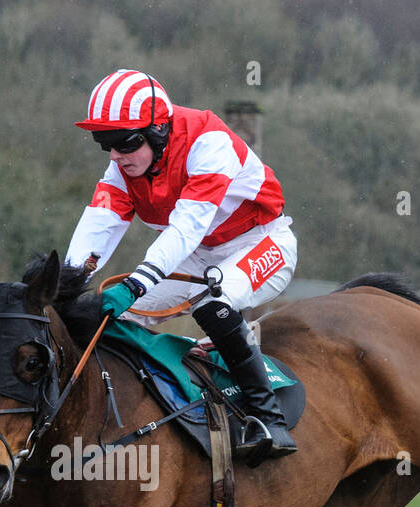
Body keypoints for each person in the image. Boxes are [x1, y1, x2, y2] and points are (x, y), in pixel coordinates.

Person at [65, 68, 298, 460]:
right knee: (107, 317)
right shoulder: (123, 165)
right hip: (194, 255)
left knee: (212, 302)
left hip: (261, 242)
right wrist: (64, 286)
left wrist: (137, 283)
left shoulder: (209, 143)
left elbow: (187, 227)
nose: (115, 154)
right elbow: (99, 225)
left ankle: (269, 419)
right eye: (103, 142)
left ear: (158, 131)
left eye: (124, 142)